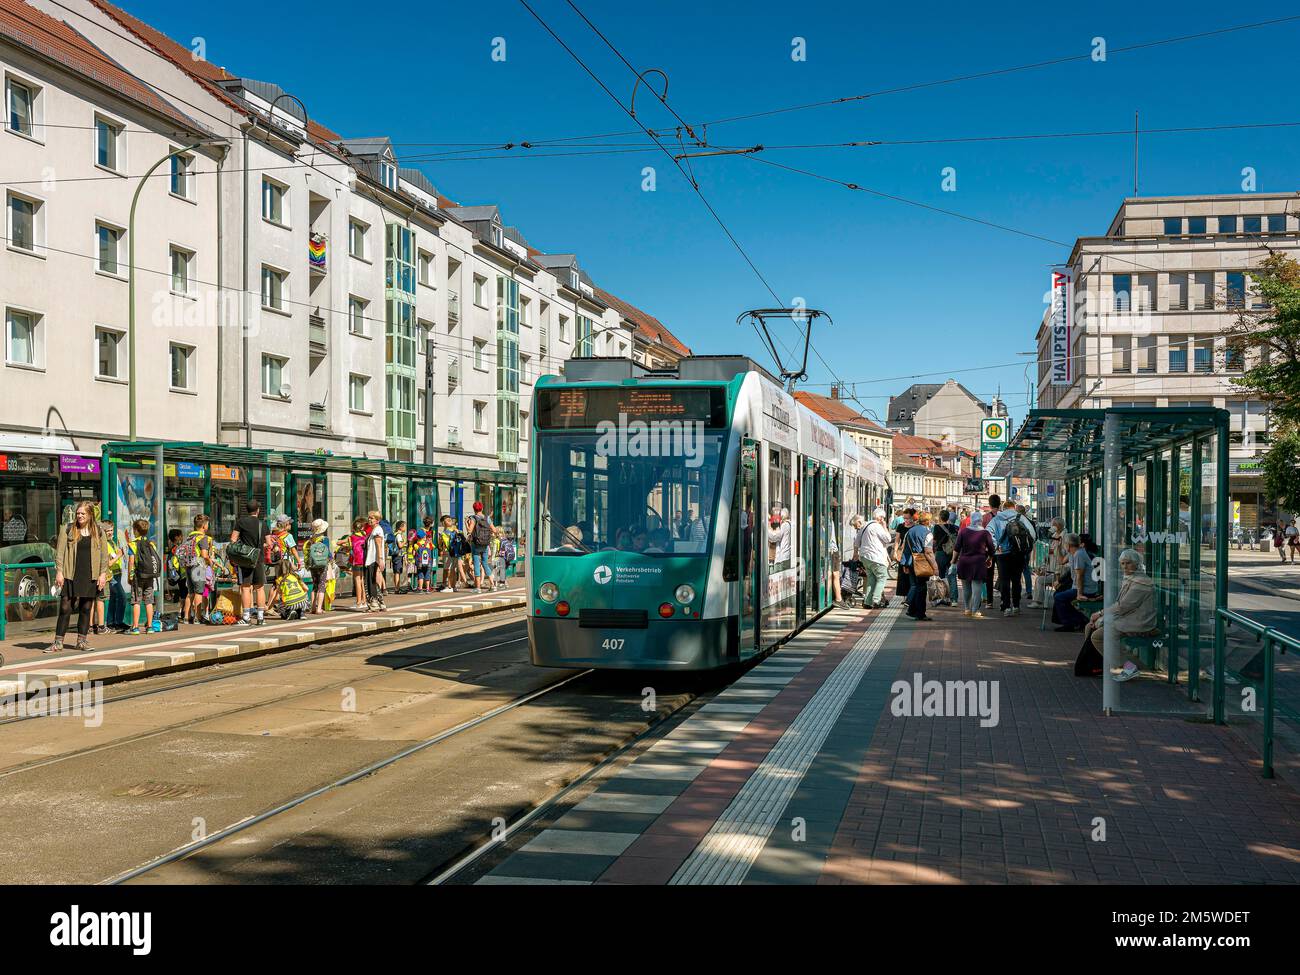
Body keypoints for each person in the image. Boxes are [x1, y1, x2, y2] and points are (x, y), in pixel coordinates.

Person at [1075, 548, 1157, 679]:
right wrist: (1101, 616)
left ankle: (1129, 667)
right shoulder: (1132, 578)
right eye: (1123, 563)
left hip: (1139, 621)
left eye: (1128, 563)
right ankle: (1097, 664)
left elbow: (1123, 606)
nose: (1125, 566)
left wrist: (1100, 614)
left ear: (1136, 564)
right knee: (1089, 627)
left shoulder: (1141, 582)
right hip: (1128, 618)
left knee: (1097, 636)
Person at [46, 501, 109, 653]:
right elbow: (59, 553)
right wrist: (59, 572)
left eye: (83, 514)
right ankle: (58, 642)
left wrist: (102, 574)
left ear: (90, 515)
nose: (79, 516)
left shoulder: (99, 531)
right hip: (70, 574)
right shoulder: (67, 529)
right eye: (78, 513)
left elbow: (104, 555)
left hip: (90, 574)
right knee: (65, 607)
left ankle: (81, 641)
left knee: (86, 608)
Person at [990, 500, 1033, 616]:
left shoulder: (996, 519)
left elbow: (988, 533)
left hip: (1002, 554)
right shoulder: (1021, 518)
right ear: (1014, 508)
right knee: (1016, 579)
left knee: (1004, 579)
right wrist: (1025, 548)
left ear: (1003, 508)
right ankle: (1016, 606)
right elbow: (1032, 534)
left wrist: (995, 546)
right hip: (1018, 553)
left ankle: (1006, 607)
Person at [1053, 533, 1100, 632]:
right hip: (1077, 586)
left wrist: (1079, 594)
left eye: (1065, 543)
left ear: (1069, 545)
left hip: (1086, 588)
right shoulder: (1072, 553)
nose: (1064, 545)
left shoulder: (1079, 554)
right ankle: (1075, 620)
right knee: (1059, 595)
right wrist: (1058, 547)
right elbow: (1062, 561)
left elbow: (1080, 576)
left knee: (1059, 597)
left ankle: (1073, 622)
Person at [231, 500, 268, 625]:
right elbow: (269, 543)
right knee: (260, 588)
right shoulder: (263, 524)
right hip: (259, 559)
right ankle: (261, 617)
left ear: (247, 510)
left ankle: (246, 617)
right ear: (257, 510)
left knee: (246, 587)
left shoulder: (241, 522)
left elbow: (233, 539)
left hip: (245, 559)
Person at [955, 509, 996, 619]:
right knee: (977, 586)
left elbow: (957, 548)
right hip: (979, 562)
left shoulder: (963, 532)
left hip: (964, 562)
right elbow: (992, 548)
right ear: (981, 520)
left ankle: (967, 608)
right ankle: (975, 610)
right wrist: (990, 558)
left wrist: (953, 561)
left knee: (966, 587)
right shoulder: (985, 533)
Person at [125, 518, 161, 636]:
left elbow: (131, 561)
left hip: (137, 576)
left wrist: (130, 576)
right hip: (150, 576)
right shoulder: (151, 544)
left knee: (136, 601)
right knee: (149, 601)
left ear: (135, 530)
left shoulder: (133, 544)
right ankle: (150, 627)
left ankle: (135, 627)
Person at [178, 514, 214, 625]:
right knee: (199, 592)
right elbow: (204, 554)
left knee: (191, 592)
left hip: (188, 566)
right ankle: (198, 617)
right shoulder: (202, 538)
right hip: (198, 566)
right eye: (207, 524)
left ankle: (187, 617)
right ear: (204, 526)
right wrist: (209, 561)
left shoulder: (190, 537)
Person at [899, 511, 935, 621]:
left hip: (910, 562)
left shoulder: (910, 531)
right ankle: (920, 613)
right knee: (921, 588)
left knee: (915, 585)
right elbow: (928, 551)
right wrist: (935, 566)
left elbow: (905, 547)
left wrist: (904, 563)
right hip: (922, 563)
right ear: (927, 521)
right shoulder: (927, 532)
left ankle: (912, 610)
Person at [856, 507, 893, 609]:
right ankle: (876, 600)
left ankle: (867, 602)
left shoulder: (865, 525)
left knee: (871, 579)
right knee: (882, 577)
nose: (883, 520)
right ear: (880, 518)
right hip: (875, 557)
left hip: (865, 557)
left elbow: (857, 542)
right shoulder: (877, 526)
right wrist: (885, 527)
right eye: (883, 518)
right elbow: (888, 539)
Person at [304, 518, 333, 615]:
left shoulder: (311, 539)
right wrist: (331, 559)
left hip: (313, 565)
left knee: (314, 585)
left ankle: (312, 607)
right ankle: (319, 608)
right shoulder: (325, 539)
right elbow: (328, 553)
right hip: (322, 564)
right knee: (322, 585)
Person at [932, 509, 959, 607]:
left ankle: (943, 597)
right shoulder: (954, 527)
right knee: (952, 575)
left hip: (940, 553)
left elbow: (934, 541)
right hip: (951, 553)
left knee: (941, 575)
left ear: (940, 517)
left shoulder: (936, 527)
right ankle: (954, 599)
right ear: (948, 517)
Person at [467, 501, 494, 592]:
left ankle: (478, 588)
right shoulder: (487, 518)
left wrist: (467, 524)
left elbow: (470, 531)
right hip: (486, 544)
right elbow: (494, 530)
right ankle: (493, 585)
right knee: (485, 563)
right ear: (482, 508)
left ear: (474, 509)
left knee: (476, 564)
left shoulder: (474, 518)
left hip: (476, 544)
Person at [893, 508, 915, 601]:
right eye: (904, 518)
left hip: (913, 554)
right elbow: (897, 540)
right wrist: (895, 551)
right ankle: (905, 597)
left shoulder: (915, 527)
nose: (906, 520)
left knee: (912, 575)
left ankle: (910, 597)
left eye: (908, 518)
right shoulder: (900, 526)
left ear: (913, 518)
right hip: (903, 554)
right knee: (903, 576)